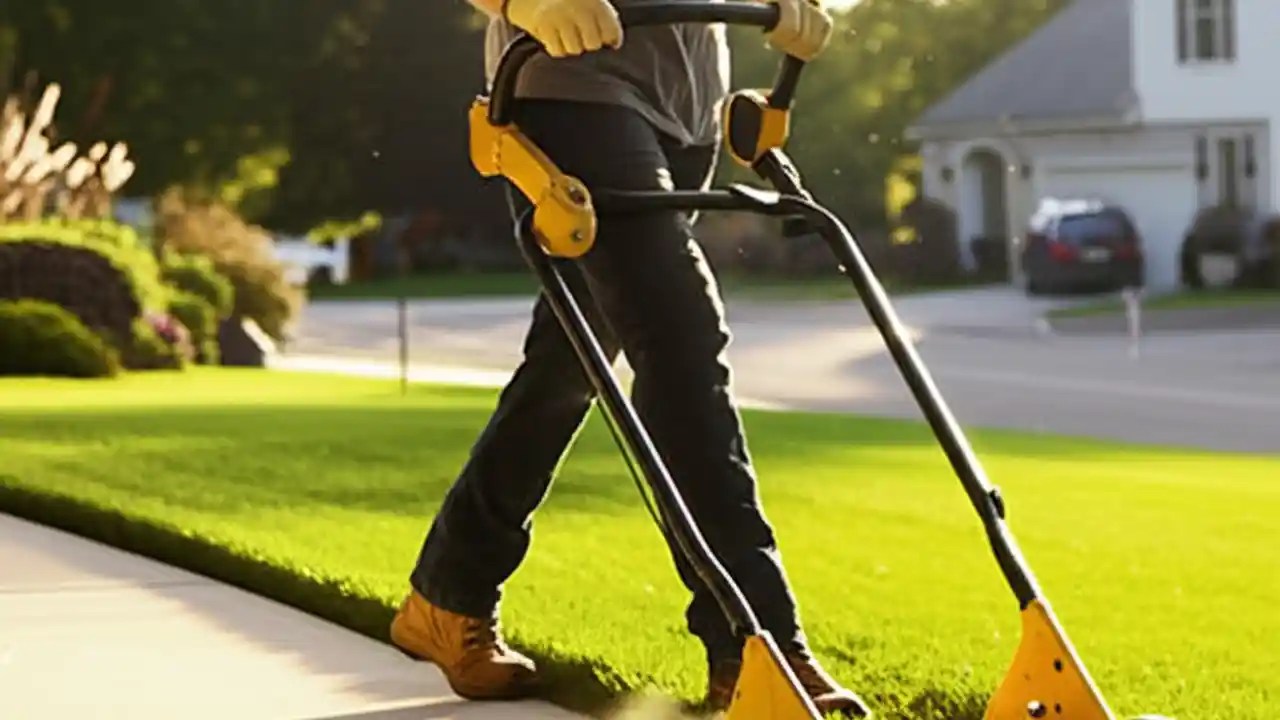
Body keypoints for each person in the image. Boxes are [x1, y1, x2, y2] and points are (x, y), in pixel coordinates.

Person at [389, 0, 870, 715]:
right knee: (679, 339)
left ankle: (444, 598)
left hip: (687, 102)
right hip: (567, 83)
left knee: (569, 360)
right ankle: (756, 643)